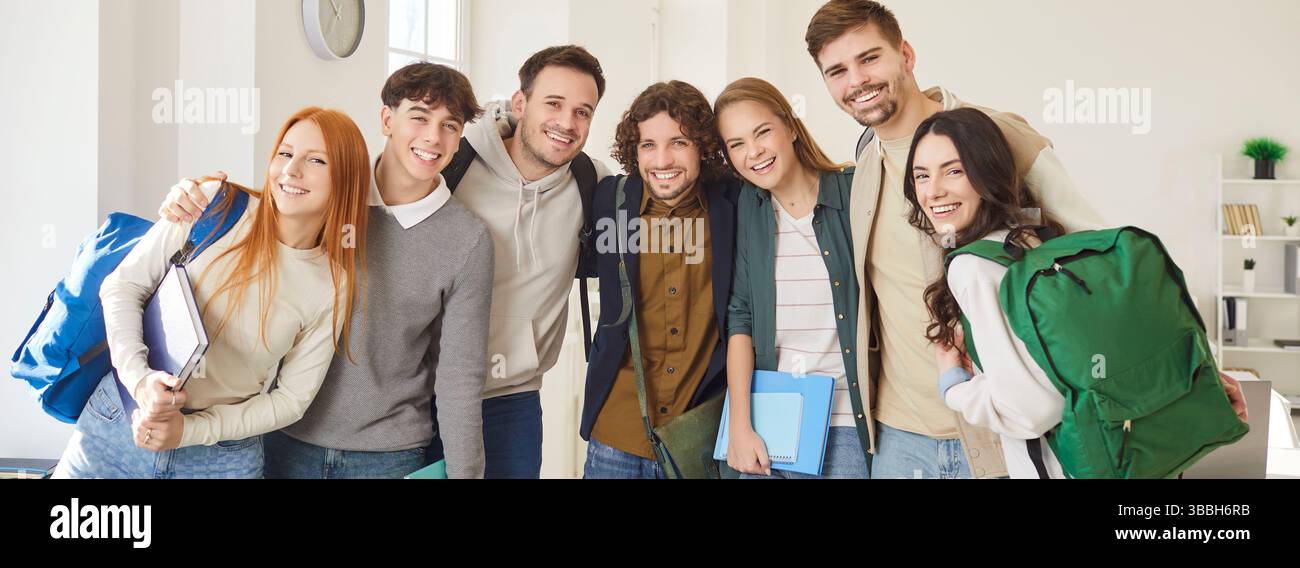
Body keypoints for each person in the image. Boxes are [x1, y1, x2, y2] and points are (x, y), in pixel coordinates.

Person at [806, 0, 1108, 478]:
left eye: (869, 58)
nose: (856, 81)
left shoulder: (998, 137)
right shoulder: (865, 157)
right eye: (837, 71)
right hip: (897, 437)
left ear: (906, 54)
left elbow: (1099, 261)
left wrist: (1179, 366)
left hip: (1001, 434)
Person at [159, 63, 494, 479]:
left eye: (450, 125)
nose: (433, 137)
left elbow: (460, 376)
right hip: (282, 435)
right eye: (420, 117)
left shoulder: (467, 240)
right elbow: (260, 208)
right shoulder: (323, 194)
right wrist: (189, 198)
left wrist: (466, 475)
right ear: (387, 119)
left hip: (388, 456)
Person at [54, 106, 371, 479]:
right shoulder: (212, 204)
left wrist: (189, 430)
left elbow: (291, 400)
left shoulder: (330, 283)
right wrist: (141, 381)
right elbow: (124, 285)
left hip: (221, 458)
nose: (291, 170)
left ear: (347, 178)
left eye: (316, 160)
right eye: (285, 153)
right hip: (120, 422)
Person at [578, 81, 739, 479]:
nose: (662, 159)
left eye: (679, 142)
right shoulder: (607, 201)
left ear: (702, 145)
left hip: (699, 432)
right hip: (616, 432)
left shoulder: (736, 204)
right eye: (648, 145)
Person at [715, 77, 865, 479]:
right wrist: (740, 427)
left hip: (846, 423)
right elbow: (741, 318)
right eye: (737, 144)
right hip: (770, 421)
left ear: (791, 127)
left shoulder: (853, 192)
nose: (754, 152)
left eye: (762, 132)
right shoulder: (748, 206)